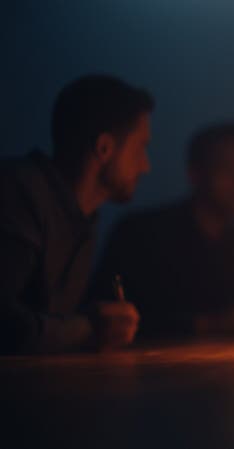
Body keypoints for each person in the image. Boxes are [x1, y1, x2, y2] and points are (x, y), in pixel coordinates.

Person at [0, 75, 152, 354]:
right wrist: (89, 329)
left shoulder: (83, 220)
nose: (146, 166)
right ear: (104, 147)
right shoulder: (19, 194)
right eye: (141, 146)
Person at [92, 123, 234, 338]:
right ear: (195, 174)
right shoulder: (141, 235)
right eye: (228, 170)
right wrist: (210, 325)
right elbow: (102, 314)